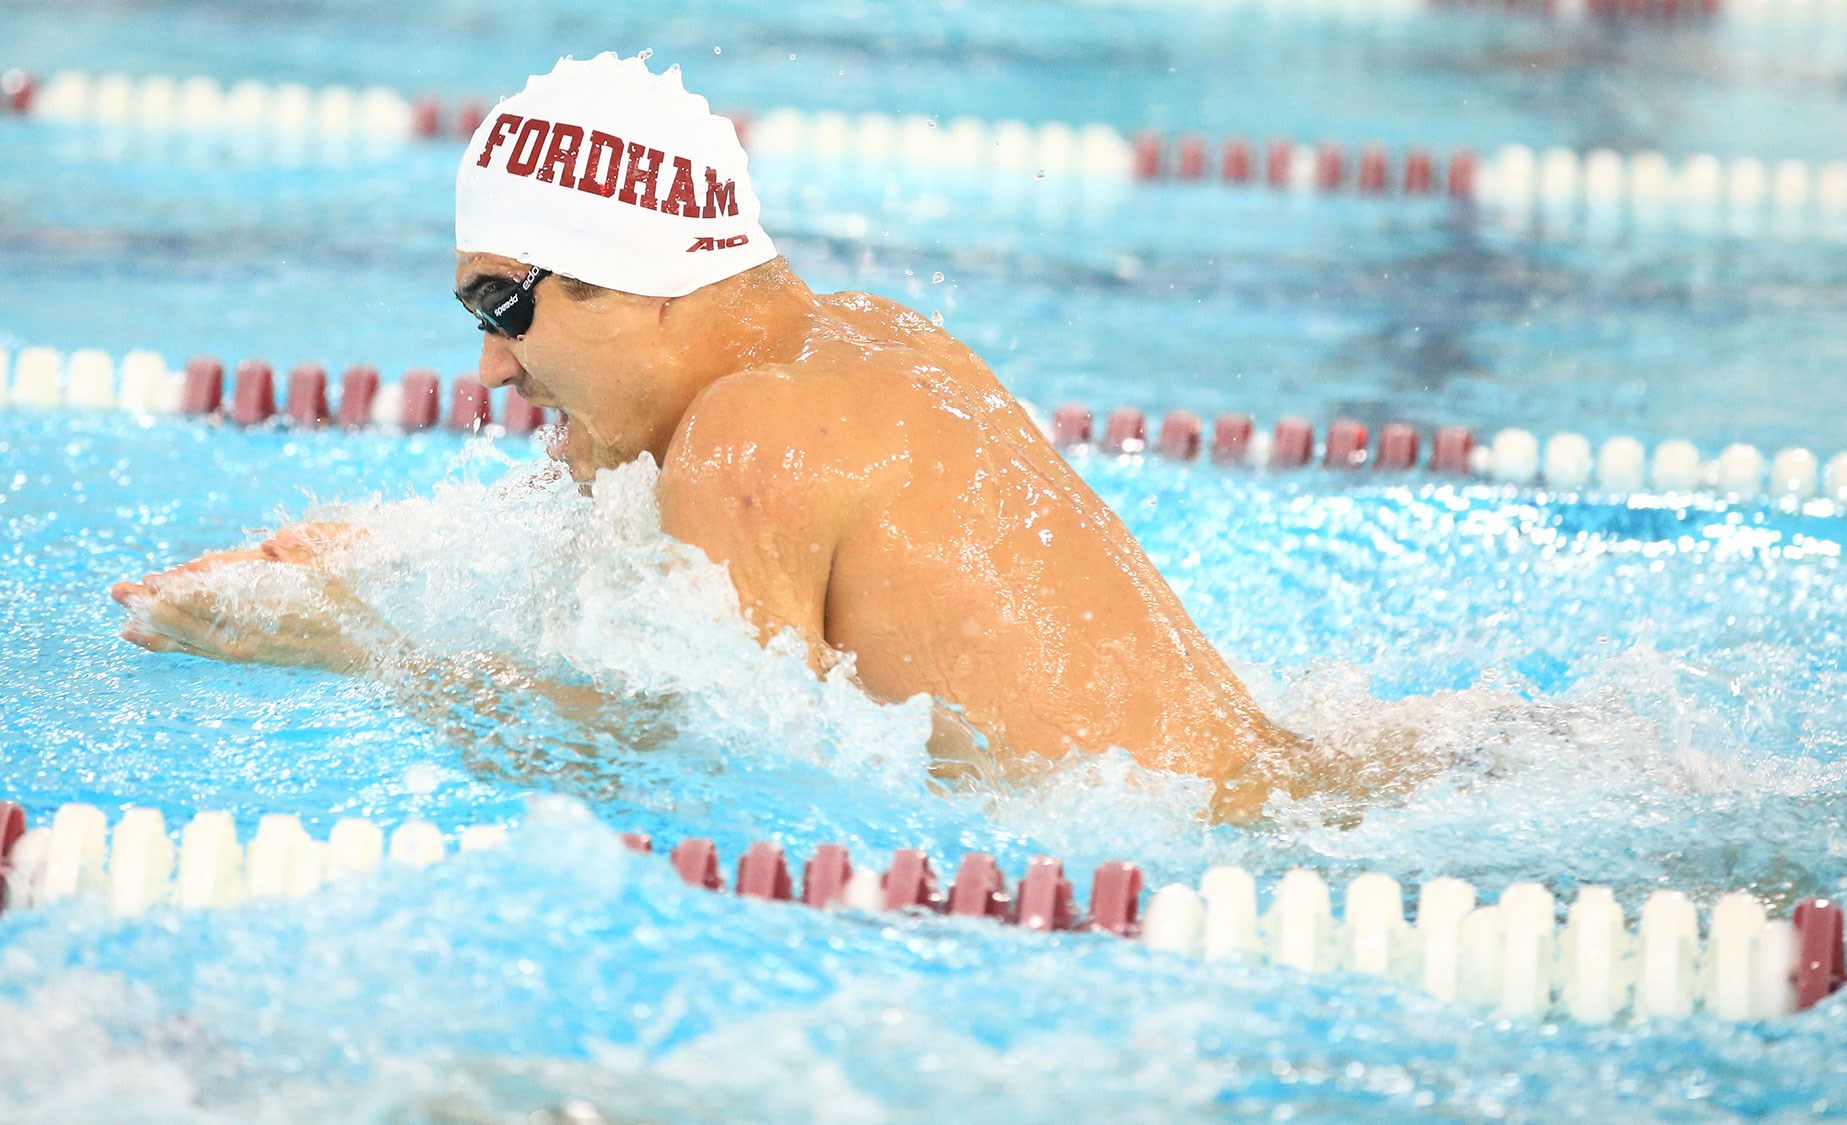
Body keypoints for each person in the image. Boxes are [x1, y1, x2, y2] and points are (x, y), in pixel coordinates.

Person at [111, 53, 1405, 822]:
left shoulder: (750, 447)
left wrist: (353, 646)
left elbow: (676, 771)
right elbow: (623, 593)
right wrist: (374, 559)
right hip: (1301, 788)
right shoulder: (848, 343)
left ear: (645, 275)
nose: (491, 367)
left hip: (1199, 873)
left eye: (504, 306)